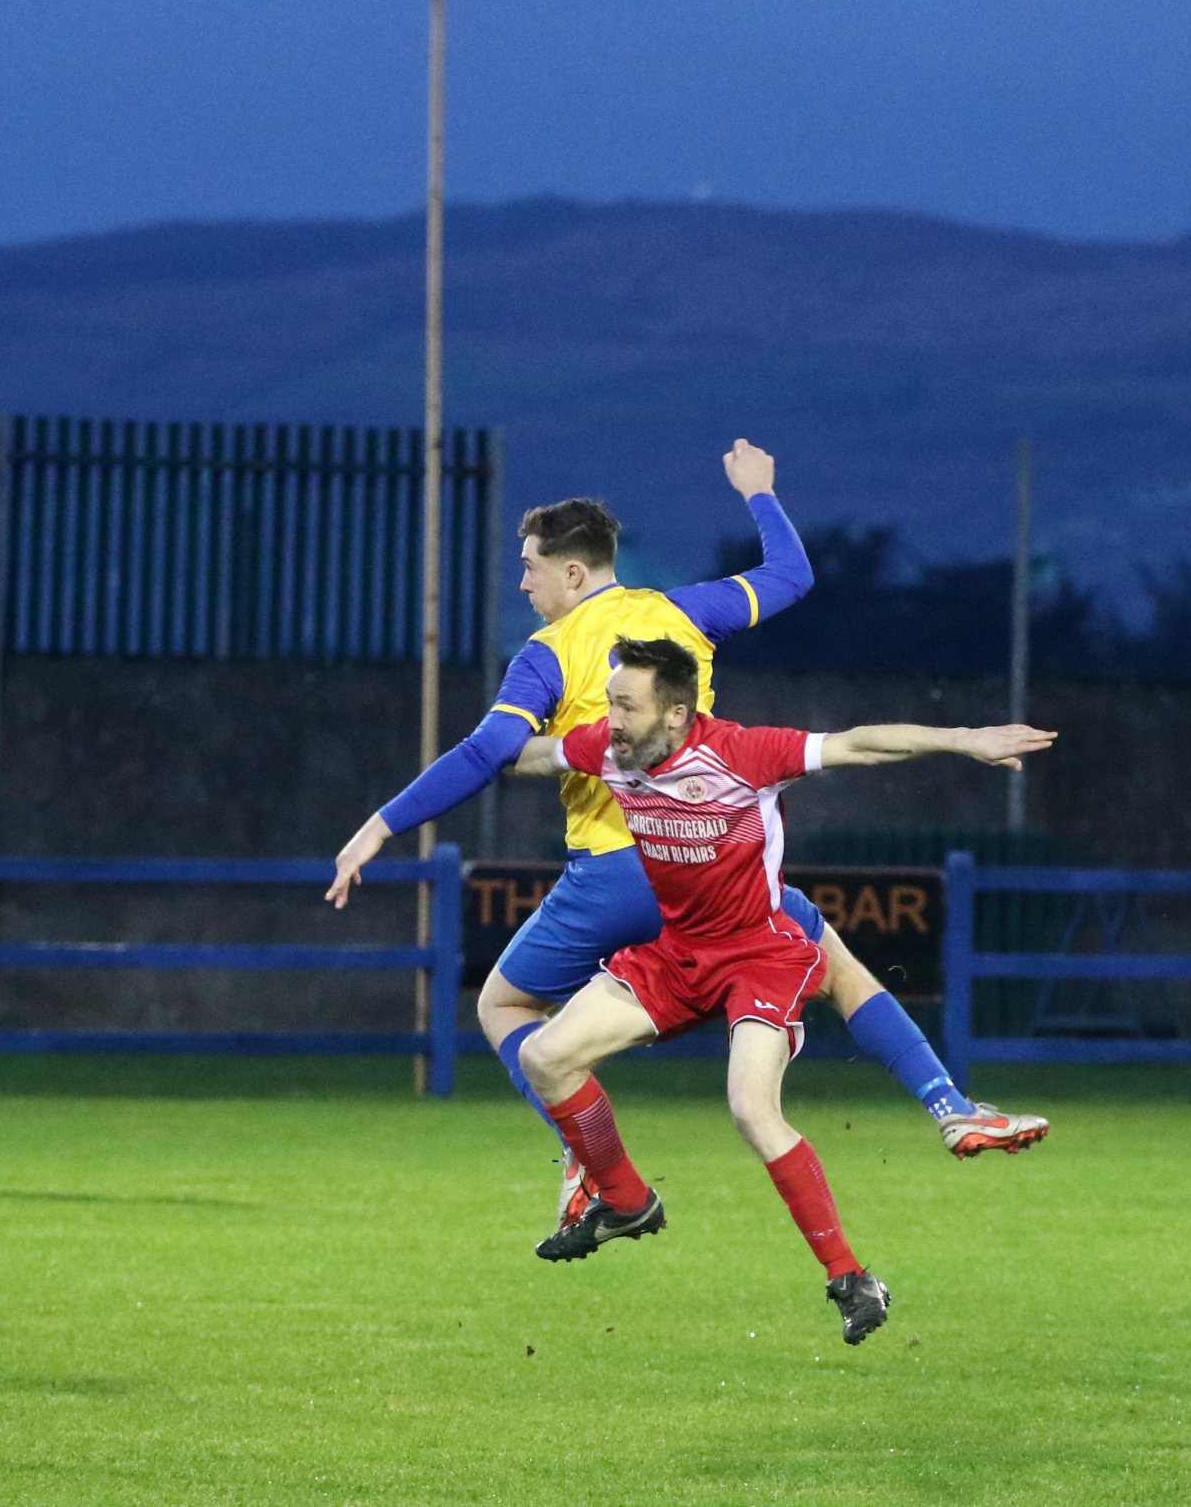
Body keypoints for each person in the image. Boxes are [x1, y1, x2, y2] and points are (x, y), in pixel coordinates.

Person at [328, 441, 1044, 1230]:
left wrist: (379, 824)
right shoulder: (679, 615)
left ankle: (585, 1155)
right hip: (707, 869)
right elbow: (793, 577)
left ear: (574, 572)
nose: (523, 580)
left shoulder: (545, 656)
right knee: (835, 963)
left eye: (531, 566)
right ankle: (949, 1106)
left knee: (504, 1004)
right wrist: (761, 493)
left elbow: (482, 755)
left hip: (611, 876)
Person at [509, 637, 1056, 1343]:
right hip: (675, 955)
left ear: (676, 714)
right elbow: (528, 755)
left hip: (758, 954)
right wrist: (486, 747)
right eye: (610, 702)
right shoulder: (609, 748)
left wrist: (961, 738)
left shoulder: (740, 752)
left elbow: (862, 744)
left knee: (750, 1107)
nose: (610, 717)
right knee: (545, 1057)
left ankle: (851, 1277)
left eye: (626, 704)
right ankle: (624, 1200)